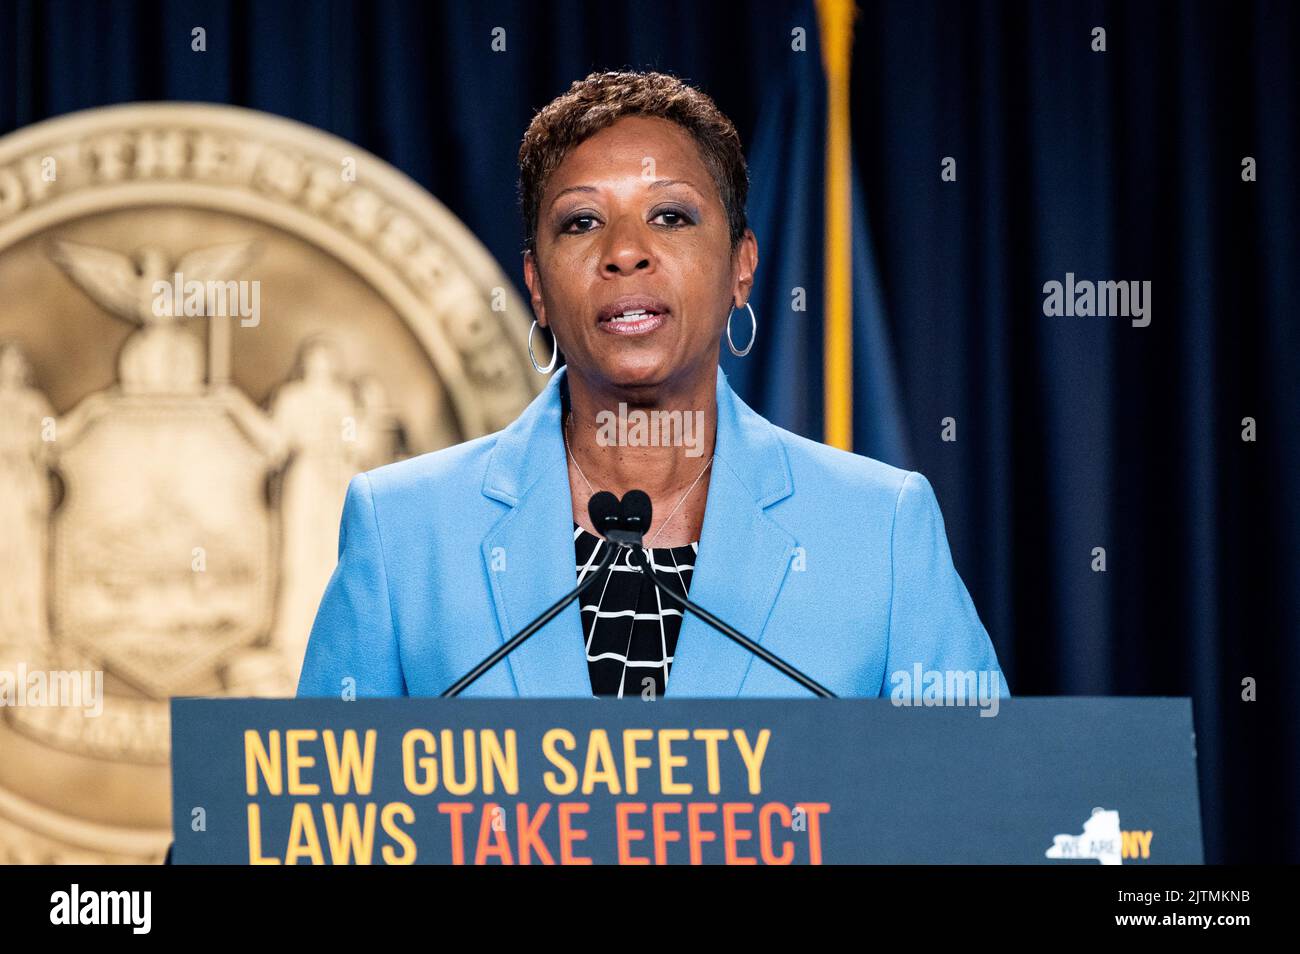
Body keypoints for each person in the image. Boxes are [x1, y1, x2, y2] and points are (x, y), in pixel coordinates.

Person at [297, 70, 1006, 700]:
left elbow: (984, 806)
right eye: (582, 222)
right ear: (537, 289)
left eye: (670, 216)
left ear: (742, 266)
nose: (626, 252)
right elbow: (317, 823)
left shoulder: (879, 530)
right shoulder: (402, 533)